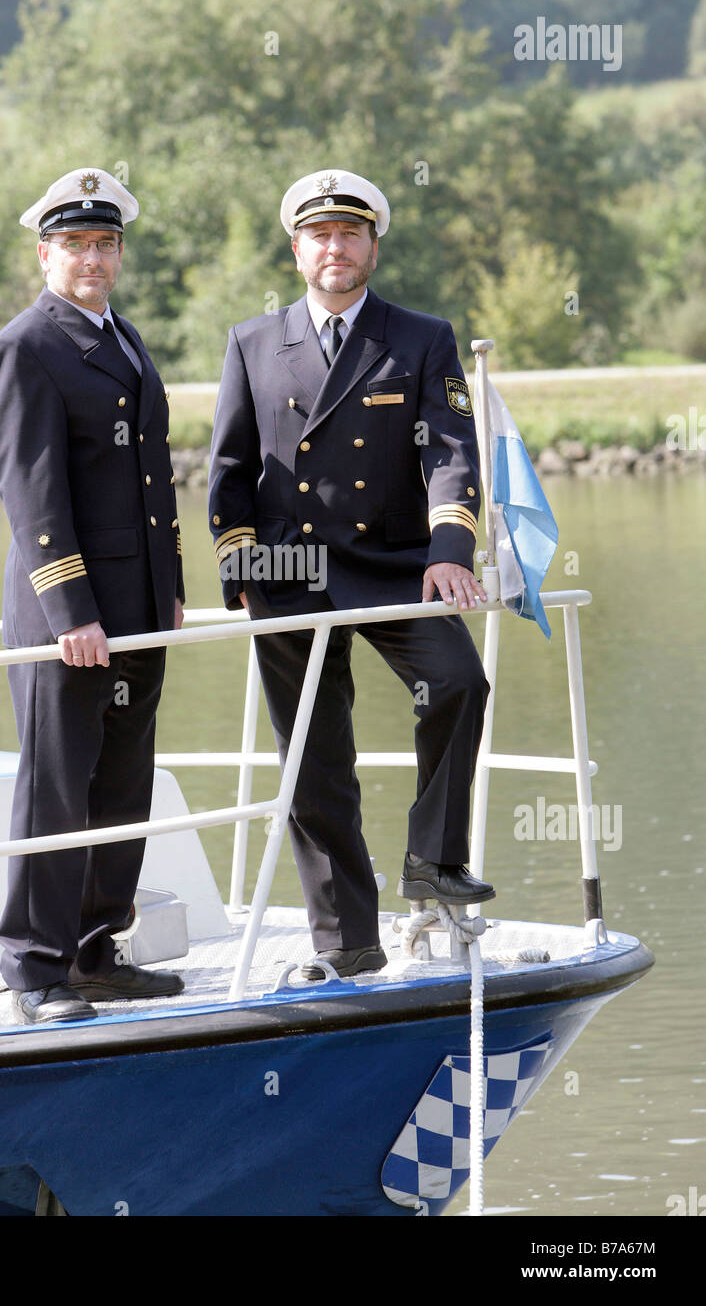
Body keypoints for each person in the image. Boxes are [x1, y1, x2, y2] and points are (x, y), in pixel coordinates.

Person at [208, 169, 494, 981]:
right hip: (287, 570)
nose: (336, 249)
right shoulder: (253, 342)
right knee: (314, 760)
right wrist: (239, 566)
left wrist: (450, 551)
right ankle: (348, 943)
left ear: (373, 245)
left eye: (351, 235)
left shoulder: (420, 336)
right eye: (320, 236)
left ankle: (434, 861)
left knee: (458, 683)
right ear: (297, 249)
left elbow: (450, 454)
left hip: (393, 563)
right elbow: (228, 465)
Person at [0, 168, 185, 1023]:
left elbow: (150, 480)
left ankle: (97, 950)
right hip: (72, 617)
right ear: (44, 253)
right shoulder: (24, 347)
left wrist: (167, 591)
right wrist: (74, 614)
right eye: (75, 244)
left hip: (136, 612)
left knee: (123, 780)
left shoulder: (124, 339)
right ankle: (34, 967)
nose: (92, 258)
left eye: (105, 244)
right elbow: (32, 499)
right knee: (56, 787)